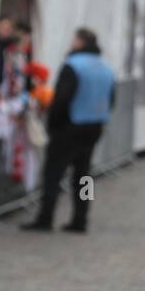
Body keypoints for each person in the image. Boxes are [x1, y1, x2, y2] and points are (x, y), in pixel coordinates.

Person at [22, 29, 115, 233]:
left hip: (70, 126)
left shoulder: (73, 65)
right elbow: (111, 98)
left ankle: (46, 216)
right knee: (84, 176)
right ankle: (81, 217)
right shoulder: (105, 67)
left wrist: (53, 124)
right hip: (94, 126)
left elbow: (62, 99)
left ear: (80, 42)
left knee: (53, 174)